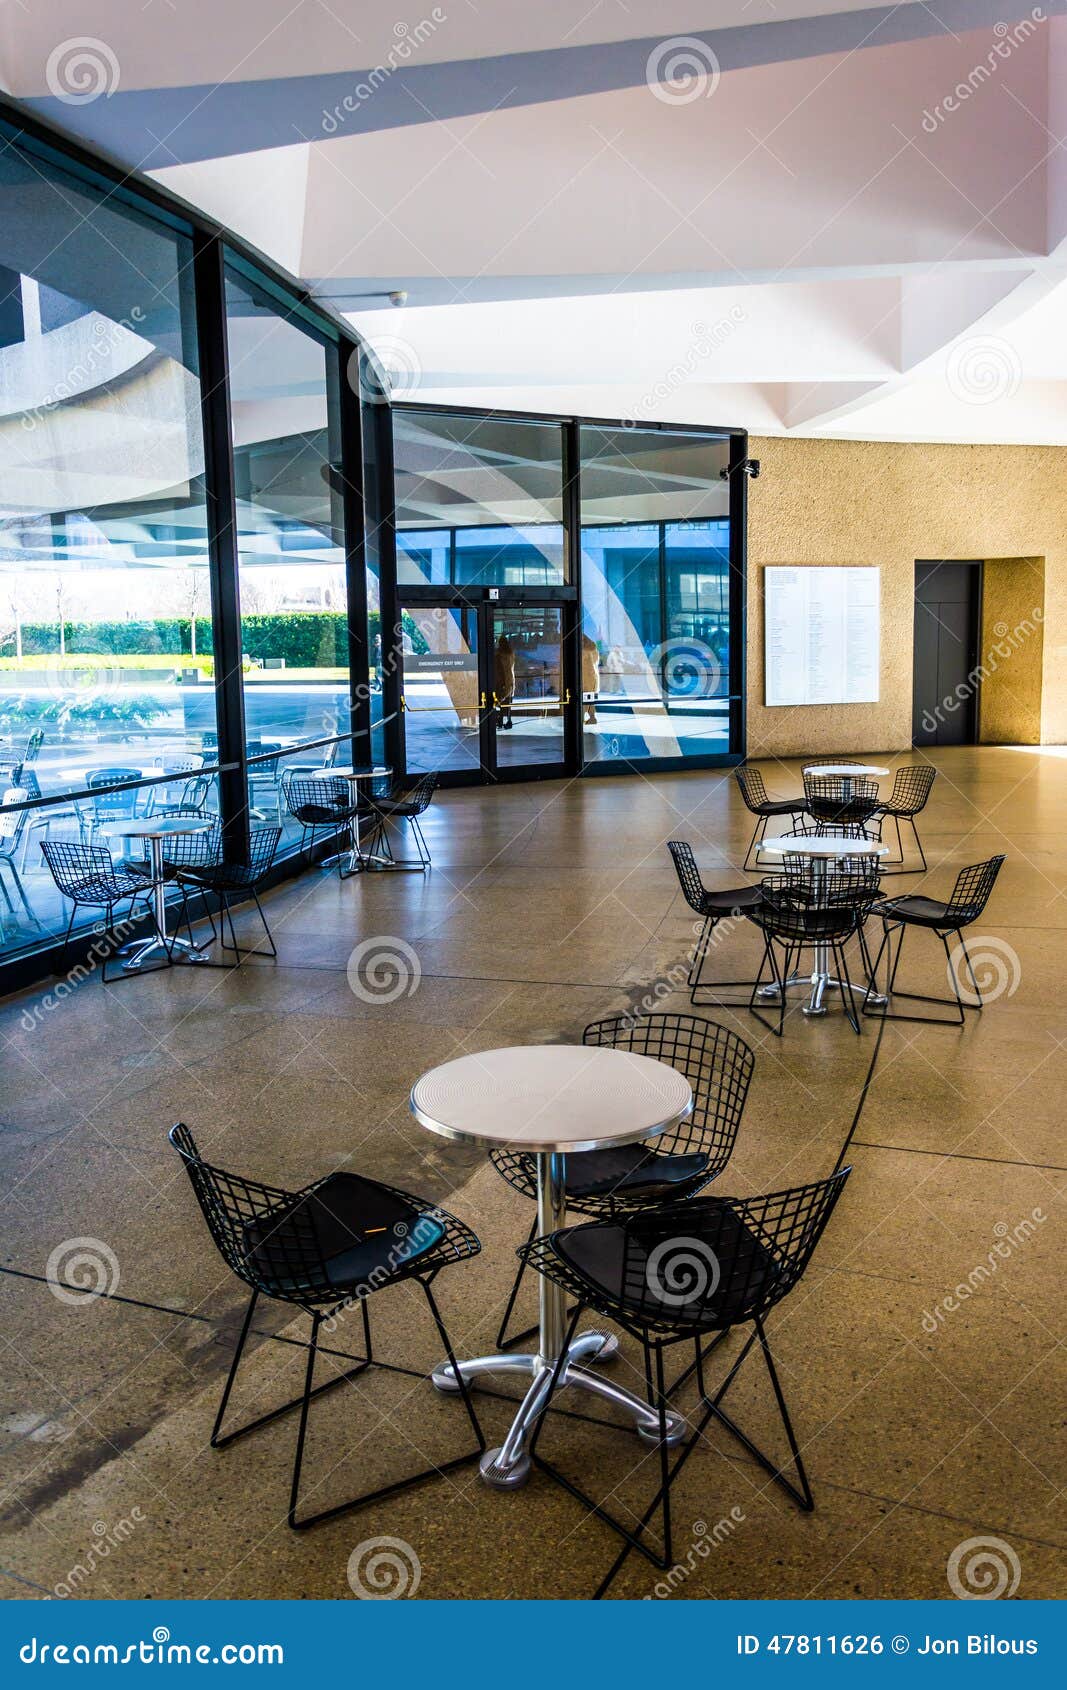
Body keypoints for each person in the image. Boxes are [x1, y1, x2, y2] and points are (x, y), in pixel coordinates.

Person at [494, 633, 515, 730]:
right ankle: (509, 720)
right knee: (508, 701)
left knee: (500, 701)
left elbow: (498, 670)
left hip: (501, 680)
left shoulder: (498, 655)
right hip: (510, 679)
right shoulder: (511, 654)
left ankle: (500, 720)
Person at [581, 632, 601, 725]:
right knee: (590, 698)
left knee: (585, 698)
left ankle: (582, 718)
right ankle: (592, 717)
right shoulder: (593, 648)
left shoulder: (584, 651)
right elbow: (596, 661)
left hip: (586, 678)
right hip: (593, 676)